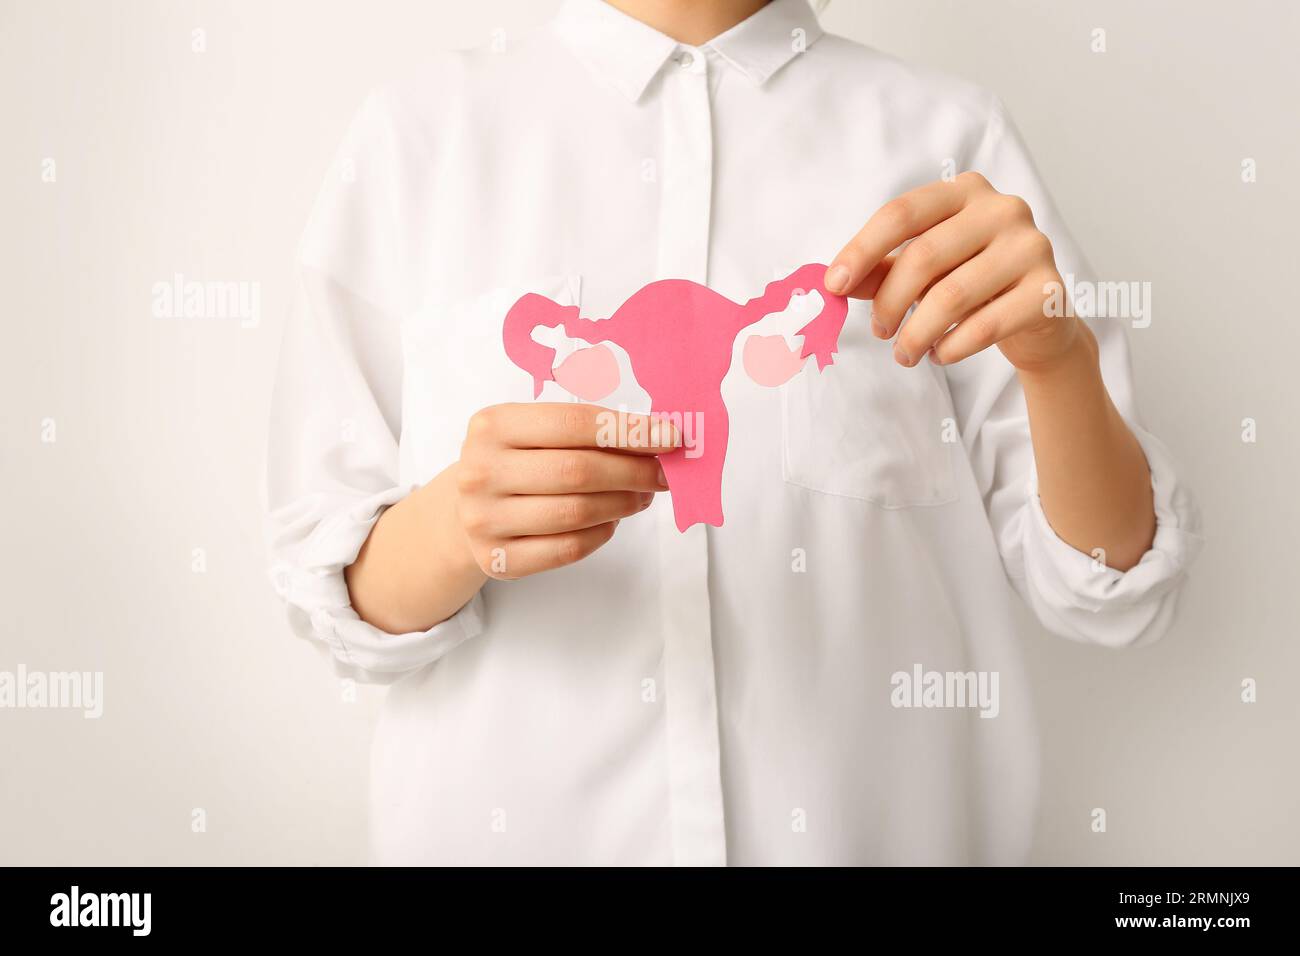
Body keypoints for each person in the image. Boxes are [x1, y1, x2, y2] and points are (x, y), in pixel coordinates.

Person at [266, 0, 1201, 865]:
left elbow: (1107, 588)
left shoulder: (947, 142)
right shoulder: (417, 141)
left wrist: (1056, 357)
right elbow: (330, 594)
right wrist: (451, 529)